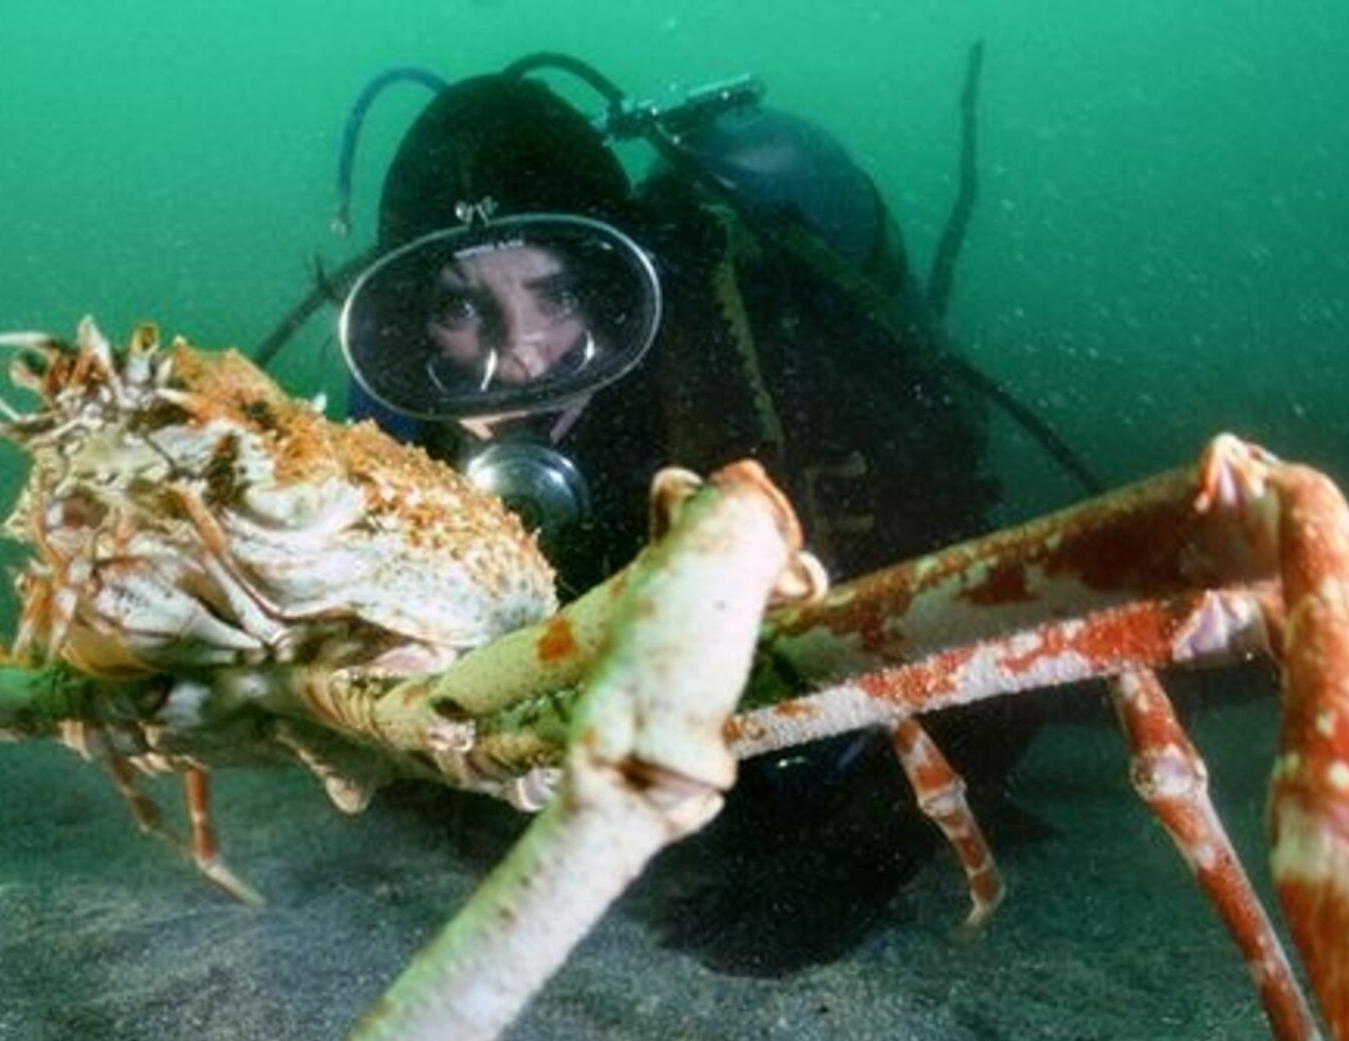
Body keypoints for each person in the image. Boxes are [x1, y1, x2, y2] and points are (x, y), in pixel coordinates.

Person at [319, 60, 1031, 969]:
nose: (523, 360)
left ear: (618, 277)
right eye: (458, 306)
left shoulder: (770, 354)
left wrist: (858, 858)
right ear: (403, 316)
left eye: (558, 291)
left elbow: (993, 609)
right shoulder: (395, 421)